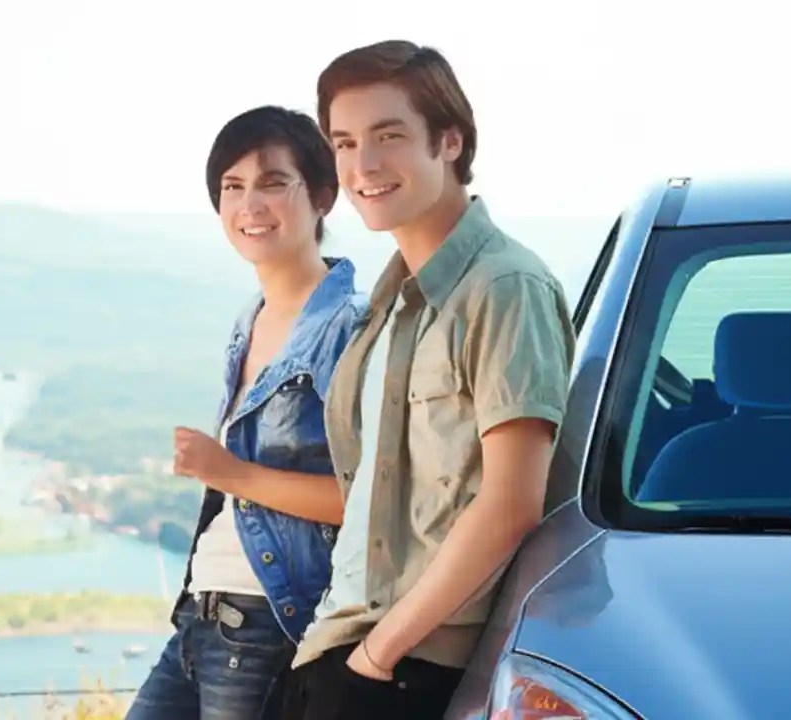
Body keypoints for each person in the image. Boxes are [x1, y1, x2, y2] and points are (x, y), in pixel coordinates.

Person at [275, 40, 577, 720]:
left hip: (406, 669)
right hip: (343, 650)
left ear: (450, 141)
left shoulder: (503, 287)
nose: (363, 166)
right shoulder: (390, 304)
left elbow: (512, 503)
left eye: (389, 137)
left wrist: (376, 658)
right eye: (345, 143)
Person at [125, 105, 368, 720]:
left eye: (271, 183)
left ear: (322, 196)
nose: (248, 205)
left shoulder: (349, 328)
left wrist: (228, 472)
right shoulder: (250, 319)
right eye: (232, 187)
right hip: (200, 615)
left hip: (268, 622)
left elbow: (369, 502)